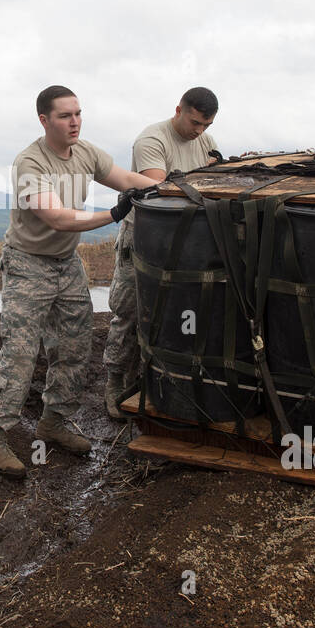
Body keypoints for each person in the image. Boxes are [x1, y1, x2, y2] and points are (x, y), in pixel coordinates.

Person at [0, 86, 158, 477]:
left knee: (75, 347)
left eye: (78, 113)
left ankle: (54, 423)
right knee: (21, 352)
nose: (74, 121)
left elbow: (126, 177)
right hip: (28, 265)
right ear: (44, 120)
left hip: (66, 264)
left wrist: (168, 186)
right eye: (65, 116)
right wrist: (113, 214)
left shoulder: (87, 152)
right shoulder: (30, 163)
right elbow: (58, 218)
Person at [103, 87, 222, 420]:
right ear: (179, 110)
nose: (200, 131)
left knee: (173, 314)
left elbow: (215, 171)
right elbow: (161, 190)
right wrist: (208, 176)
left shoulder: (205, 140)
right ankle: (114, 384)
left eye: (207, 125)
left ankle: (151, 380)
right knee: (129, 311)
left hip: (188, 238)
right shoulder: (152, 140)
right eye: (196, 122)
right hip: (143, 236)